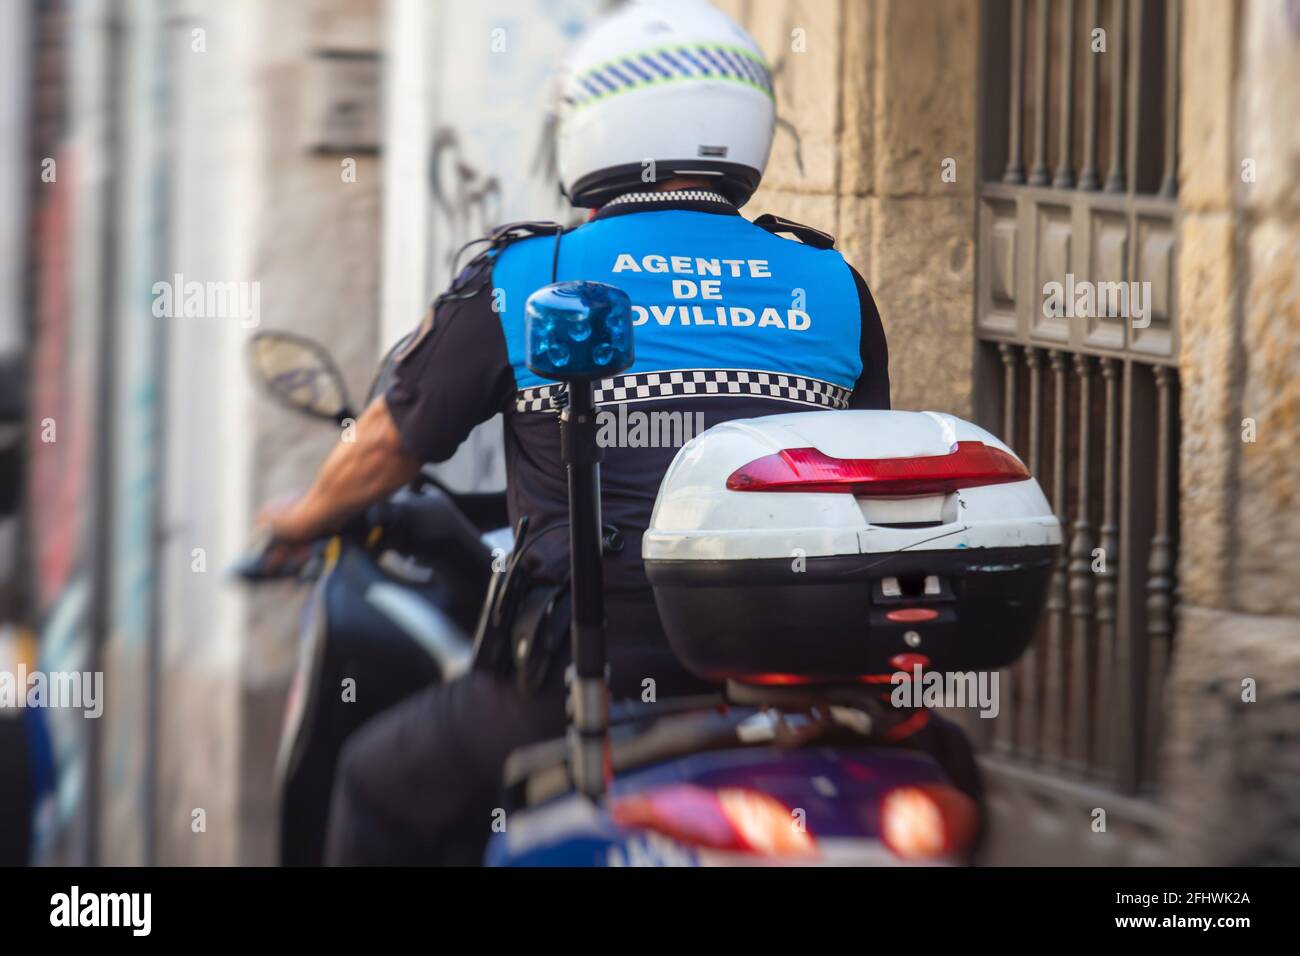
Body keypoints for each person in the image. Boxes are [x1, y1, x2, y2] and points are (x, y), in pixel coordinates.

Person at [257, 0, 890, 865]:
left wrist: (298, 519)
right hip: (796, 681)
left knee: (376, 781)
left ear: (594, 123)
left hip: (596, 678)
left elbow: (386, 444)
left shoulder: (531, 273)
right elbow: (867, 458)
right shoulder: (833, 283)